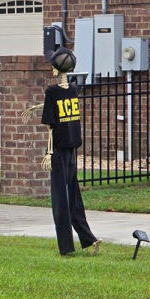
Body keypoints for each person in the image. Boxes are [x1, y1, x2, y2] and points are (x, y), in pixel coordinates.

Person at [40, 46, 100, 256]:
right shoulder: (73, 90)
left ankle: (66, 247)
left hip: (57, 150)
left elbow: (50, 127)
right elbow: (60, 107)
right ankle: (88, 238)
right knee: (74, 196)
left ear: (57, 70)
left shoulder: (51, 92)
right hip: (73, 149)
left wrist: (48, 153)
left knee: (60, 200)